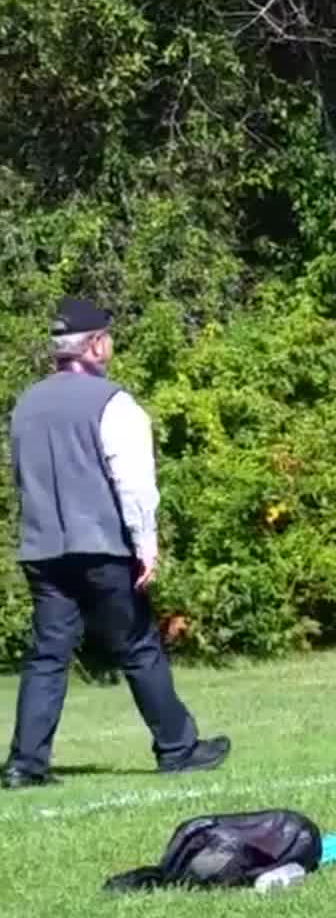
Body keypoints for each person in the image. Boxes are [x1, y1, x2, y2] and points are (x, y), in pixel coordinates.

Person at [5, 297, 229, 789]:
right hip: (102, 545)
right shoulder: (114, 403)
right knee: (138, 645)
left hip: (42, 549)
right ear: (94, 345)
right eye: (106, 338)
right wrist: (146, 544)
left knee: (47, 656)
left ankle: (25, 763)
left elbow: (22, 477)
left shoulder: (24, 406)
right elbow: (134, 484)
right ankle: (178, 748)